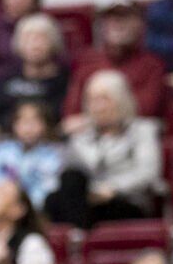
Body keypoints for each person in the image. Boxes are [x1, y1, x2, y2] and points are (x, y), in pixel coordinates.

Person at [49, 70, 162, 227]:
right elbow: (68, 178)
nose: (98, 107)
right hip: (87, 200)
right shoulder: (80, 137)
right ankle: (79, 234)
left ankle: (79, 237)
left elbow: (147, 173)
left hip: (124, 199)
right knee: (61, 188)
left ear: (121, 100)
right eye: (91, 100)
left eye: (104, 99)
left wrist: (112, 189)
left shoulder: (143, 130)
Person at [0, 16, 70, 162]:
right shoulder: (6, 78)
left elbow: (63, 119)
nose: (35, 45)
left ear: (53, 43)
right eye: (29, 39)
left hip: (50, 145)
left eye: (41, 38)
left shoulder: (65, 80)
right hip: (7, 142)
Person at [62, 1, 167, 128]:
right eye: (110, 19)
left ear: (140, 24)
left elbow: (146, 109)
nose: (117, 24)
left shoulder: (152, 65)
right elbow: (72, 111)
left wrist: (97, 117)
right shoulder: (86, 61)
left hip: (131, 133)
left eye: (125, 18)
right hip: (90, 135)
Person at [0, 98, 67, 211]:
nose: (28, 128)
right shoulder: (1, 151)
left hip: (37, 213)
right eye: (23, 121)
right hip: (2, 208)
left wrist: (23, 207)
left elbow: (49, 191)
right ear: (14, 124)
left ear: (45, 125)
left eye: (34, 121)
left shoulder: (54, 155)